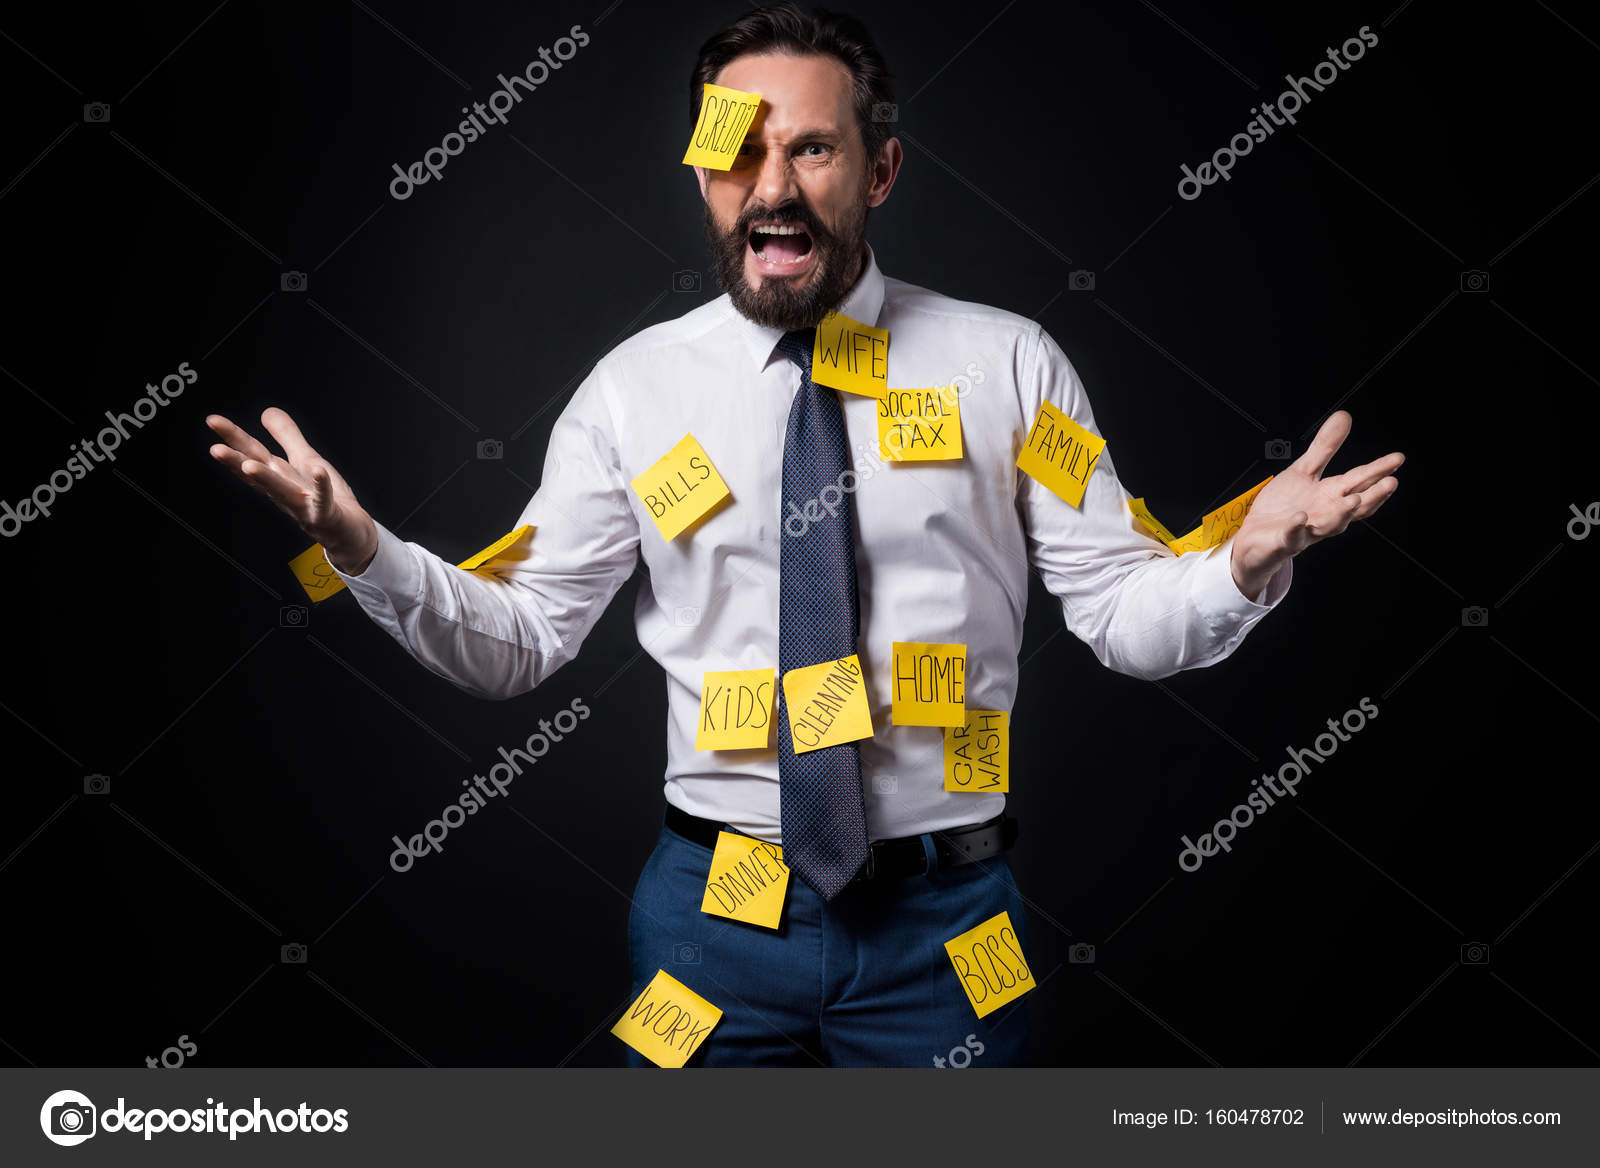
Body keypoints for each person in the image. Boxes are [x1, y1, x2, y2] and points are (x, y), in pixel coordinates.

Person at [203, 3, 1402, 1067]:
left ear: (878, 171)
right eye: (735, 149)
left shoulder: (1011, 365)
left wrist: (1245, 562)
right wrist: (363, 551)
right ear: (701, 174)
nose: (770, 184)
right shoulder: (632, 390)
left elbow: (1123, 618)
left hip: (952, 921)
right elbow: (519, 641)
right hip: (708, 920)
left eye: (811, 147)